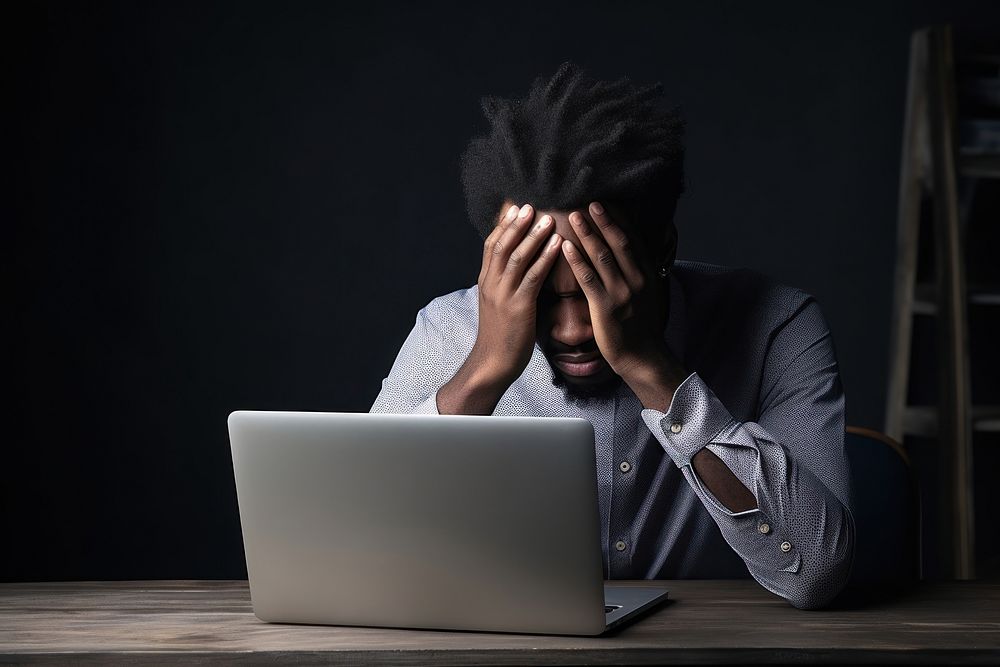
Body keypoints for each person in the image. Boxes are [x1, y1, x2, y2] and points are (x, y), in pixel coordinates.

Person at [370, 61, 854, 610]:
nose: (575, 330)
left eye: (598, 288)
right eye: (542, 298)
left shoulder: (777, 326)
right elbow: (358, 551)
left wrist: (653, 369)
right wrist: (483, 369)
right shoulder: (448, 329)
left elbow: (815, 571)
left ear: (662, 251)